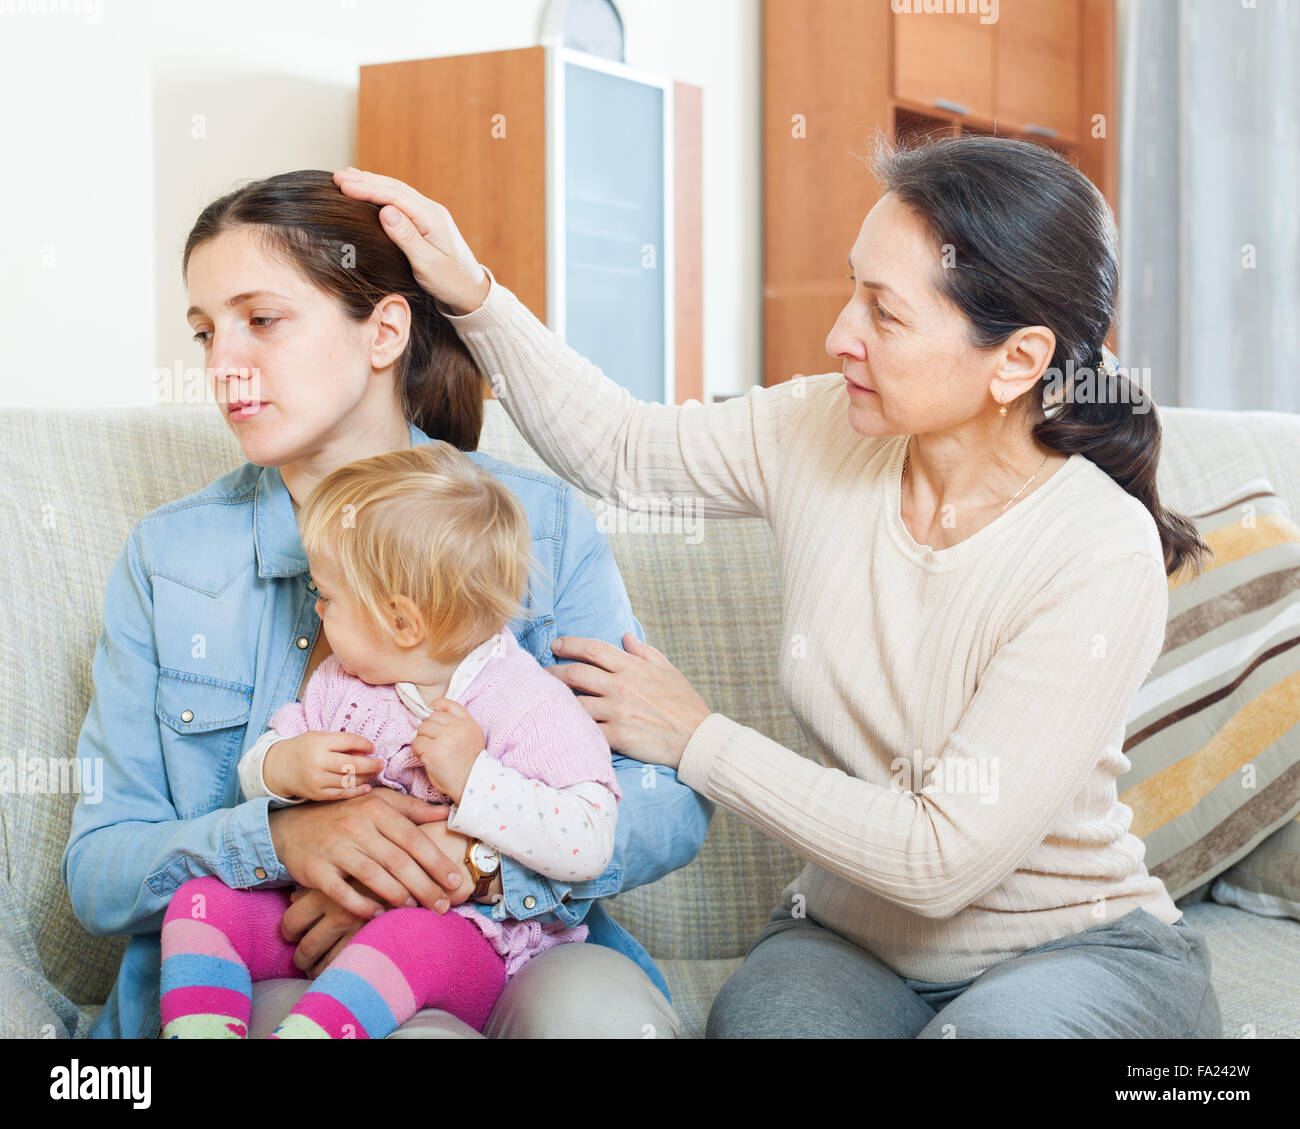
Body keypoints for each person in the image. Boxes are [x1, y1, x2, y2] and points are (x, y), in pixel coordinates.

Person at [334, 134, 1225, 1038]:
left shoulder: (1098, 548)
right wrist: (471, 292)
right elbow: (624, 448)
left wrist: (698, 739)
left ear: (1018, 360)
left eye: (885, 312)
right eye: (853, 291)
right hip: (848, 943)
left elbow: (942, 857)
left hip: (1071, 950)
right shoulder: (822, 427)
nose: (841, 335)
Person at [63, 169, 708, 1040]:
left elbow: (662, 797)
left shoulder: (539, 527)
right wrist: (282, 841)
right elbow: (100, 869)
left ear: (385, 331)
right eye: (205, 333)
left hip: (505, 943)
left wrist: (473, 860)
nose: (222, 364)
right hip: (282, 959)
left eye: (262, 319)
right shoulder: (169, 557)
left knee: (601, 1019)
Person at [160, 441, 622, 1038]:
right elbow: (257, 769)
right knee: (201, 903)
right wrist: (283, 765)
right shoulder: (341, 683)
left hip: (462, 945)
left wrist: (475, 780)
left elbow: (588, 841)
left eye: (326, 596)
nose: (317, 610)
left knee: (407, 935)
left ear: (402, 622)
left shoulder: (528, 704)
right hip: (318, 922)